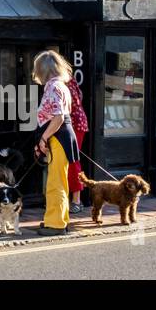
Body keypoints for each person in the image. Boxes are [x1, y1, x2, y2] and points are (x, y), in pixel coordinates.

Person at [31, 49, 80, 233]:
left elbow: (58, 117)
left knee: (55, 182)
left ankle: (56, 224)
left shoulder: (53, 87)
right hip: (61, 135)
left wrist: (43, 138)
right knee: (59, 180)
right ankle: (59, 219)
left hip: (57, 136)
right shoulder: (61, 85)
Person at [67, 76, 89, 214]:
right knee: (70, 161)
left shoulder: (64, 82)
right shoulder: (70, 80)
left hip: (73, 124)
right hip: (75, 123)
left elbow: (69, 105)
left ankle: (76, 200)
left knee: (72, 161)